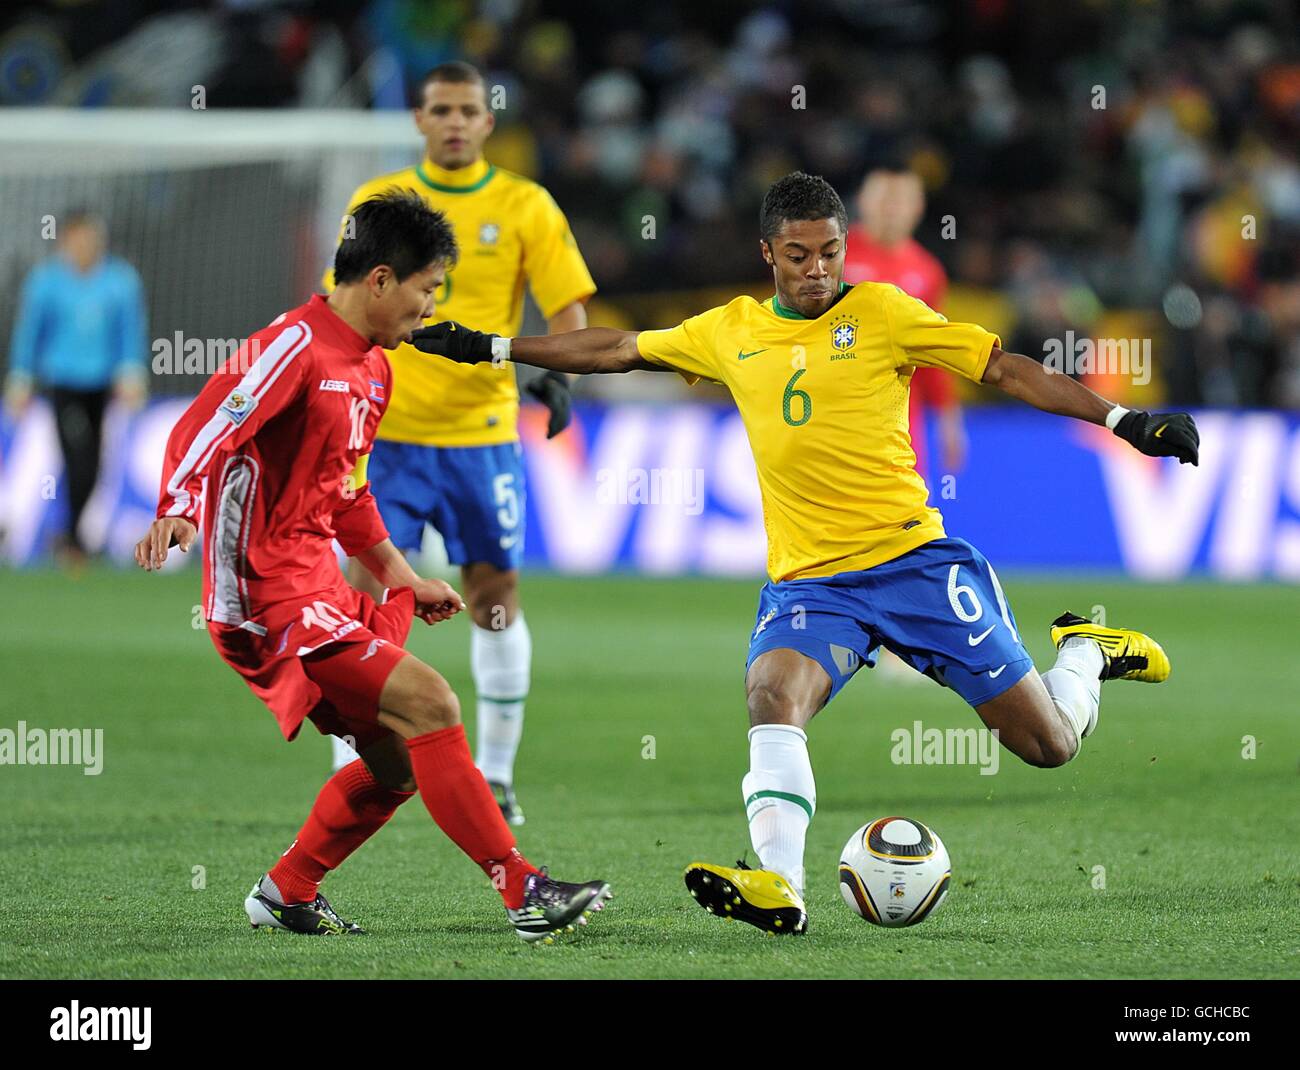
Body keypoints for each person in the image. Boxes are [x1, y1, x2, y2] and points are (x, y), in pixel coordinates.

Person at [405, 172, 1200, 936]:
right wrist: (494, 347)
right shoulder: (730, 331)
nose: (817, 270)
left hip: (915, 563)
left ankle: (1088, 656)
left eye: (829, 252)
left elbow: (1003, 367)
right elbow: (617, 348)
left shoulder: (886, 313)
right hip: (813, 585)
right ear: (767, 254)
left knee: (1048, 746)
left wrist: (1125, 420)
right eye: (798, 255)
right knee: (772, 694)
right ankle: (780, 884)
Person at [135, 192, 610, 942]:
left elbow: (349, 492)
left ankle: (288, 889)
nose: (430, 310)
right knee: (434, 703)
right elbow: (207, 424)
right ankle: (525, 889)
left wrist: (402, 577)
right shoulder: (292, 346)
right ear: (382, 280)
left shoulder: (375, 369)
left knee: (397, 760)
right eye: (426, 291)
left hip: (315, 581)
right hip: (262, 597)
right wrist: (177, 508)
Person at [326, 61, 597, 828]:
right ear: (419, 118)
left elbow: (568, 302)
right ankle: (356, 764)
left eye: (467, 109)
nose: (453, 120)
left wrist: (557, 377)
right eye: (439, 108)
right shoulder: (375, 204)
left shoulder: (524, 204)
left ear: (487, 120)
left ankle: (500, 772)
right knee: (369, 594)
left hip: (481, 438)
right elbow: (339, 301)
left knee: (494, 600)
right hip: (387, 439)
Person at [4, 210, 147, 564]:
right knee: (76, 453)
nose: (85, 244)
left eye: (91, 236)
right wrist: (20, 377)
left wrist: (132, 371)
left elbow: (130, 329)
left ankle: (72, 536)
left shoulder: (120, 280)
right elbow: (29, 332)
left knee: (94, 460)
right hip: (62, 380)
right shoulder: (46, 281)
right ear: (66, 240)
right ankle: (72, 538)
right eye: (78, 237)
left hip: (101, 383)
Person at [844, 165, 964, 481]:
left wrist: (949, 419)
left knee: (902, 520)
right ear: (862, 201)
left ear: (918, 207)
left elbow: (932, 352)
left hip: (898, 427)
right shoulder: (831, 256)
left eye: (900, 200)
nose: (891, 210)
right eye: (883, 198)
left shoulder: (927, 272)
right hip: (834, 416)